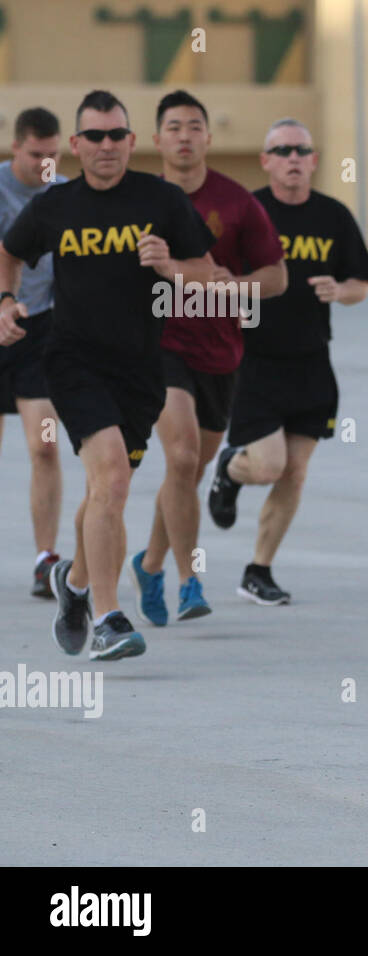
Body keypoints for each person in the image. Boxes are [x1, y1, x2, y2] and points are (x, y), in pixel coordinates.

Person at [0, 89, 213, 660]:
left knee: (106, 494)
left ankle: (72, 584)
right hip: (72, 364)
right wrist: (5, 300)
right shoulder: (54, 205)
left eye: (117, 135)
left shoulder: (161, 200)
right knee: (113, 481)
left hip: (141, 373)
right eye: (94, 136)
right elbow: (9, 250)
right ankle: (109, 618)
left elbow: (210, 272)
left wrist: (171, 266)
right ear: (75, 145)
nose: (106, 146)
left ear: (131, 140)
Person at [130, 90, 286, 626]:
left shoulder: (239, 202)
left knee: (188, 473)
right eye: (173, 127)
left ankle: (148, 563)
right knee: (178, 458)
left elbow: (277, 277)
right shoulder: (138, 201)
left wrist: (238, 286)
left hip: (221, 352)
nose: (184, 136)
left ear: (208, 138)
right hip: (159, 346)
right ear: (156, 140)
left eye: (194, 126)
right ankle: (188, 579)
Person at [207, 118, 368, 606]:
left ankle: (259, 570)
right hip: (253, 360)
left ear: (314, 160)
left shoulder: (334, 216)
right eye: (282, 151)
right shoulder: (246, 211)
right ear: (265, 161)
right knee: (267, 466)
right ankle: (230, 470)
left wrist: (340, 290)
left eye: (302, 150)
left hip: (311, 361)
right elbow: (215, 273)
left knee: (295, 473)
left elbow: (362, 283)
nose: (293, 159)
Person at [0, 107, 66, 598]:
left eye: (53, 156)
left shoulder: (64, 195)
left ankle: (46, 558)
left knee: (44, 445)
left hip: (39, 334)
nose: (45, 166)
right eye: (36, 155)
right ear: (15, 149)